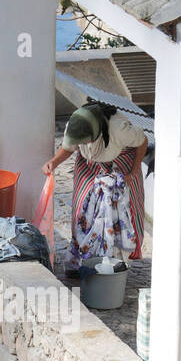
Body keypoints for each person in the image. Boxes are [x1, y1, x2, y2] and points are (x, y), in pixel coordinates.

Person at [43, 101, 148, 268]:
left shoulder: (119, 129)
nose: (83, 145)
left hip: (122, 163)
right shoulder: (75, 126)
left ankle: (115, 259)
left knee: (119, 213)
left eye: (86, 141)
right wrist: (54, 163)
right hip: (89, 165)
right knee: (83, 209)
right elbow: (68, 148)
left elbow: (142, 142)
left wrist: (133, 173)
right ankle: (82, 256)